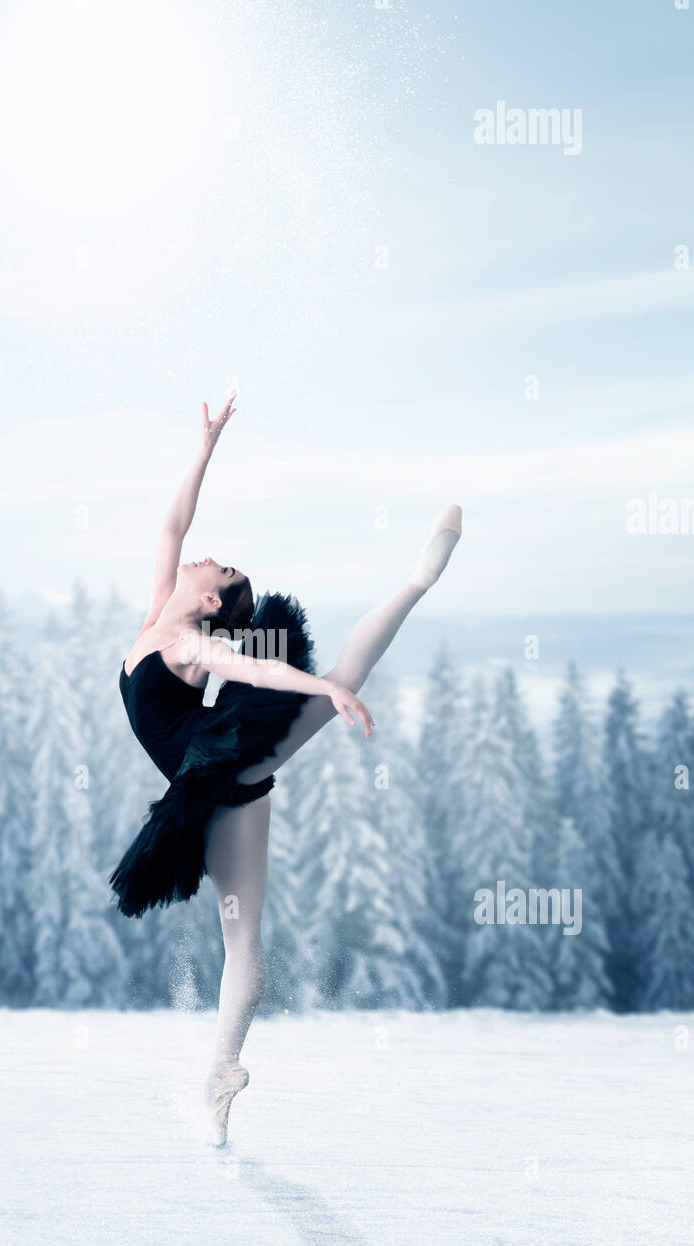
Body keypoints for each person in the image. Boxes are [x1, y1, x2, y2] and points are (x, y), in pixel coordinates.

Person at [113, 391, 461, 1143]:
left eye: (219, 565)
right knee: (239, 935)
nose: (204, 553)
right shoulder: (156, 620)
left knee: (243, 937)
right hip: (208, 788)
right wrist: (206, 446)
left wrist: (325, 689)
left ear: (209, 599)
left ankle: (418, 582)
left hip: (230, 763)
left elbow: (259, 672)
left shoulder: (186, 645)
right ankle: (220, 1079)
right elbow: (172, 524)